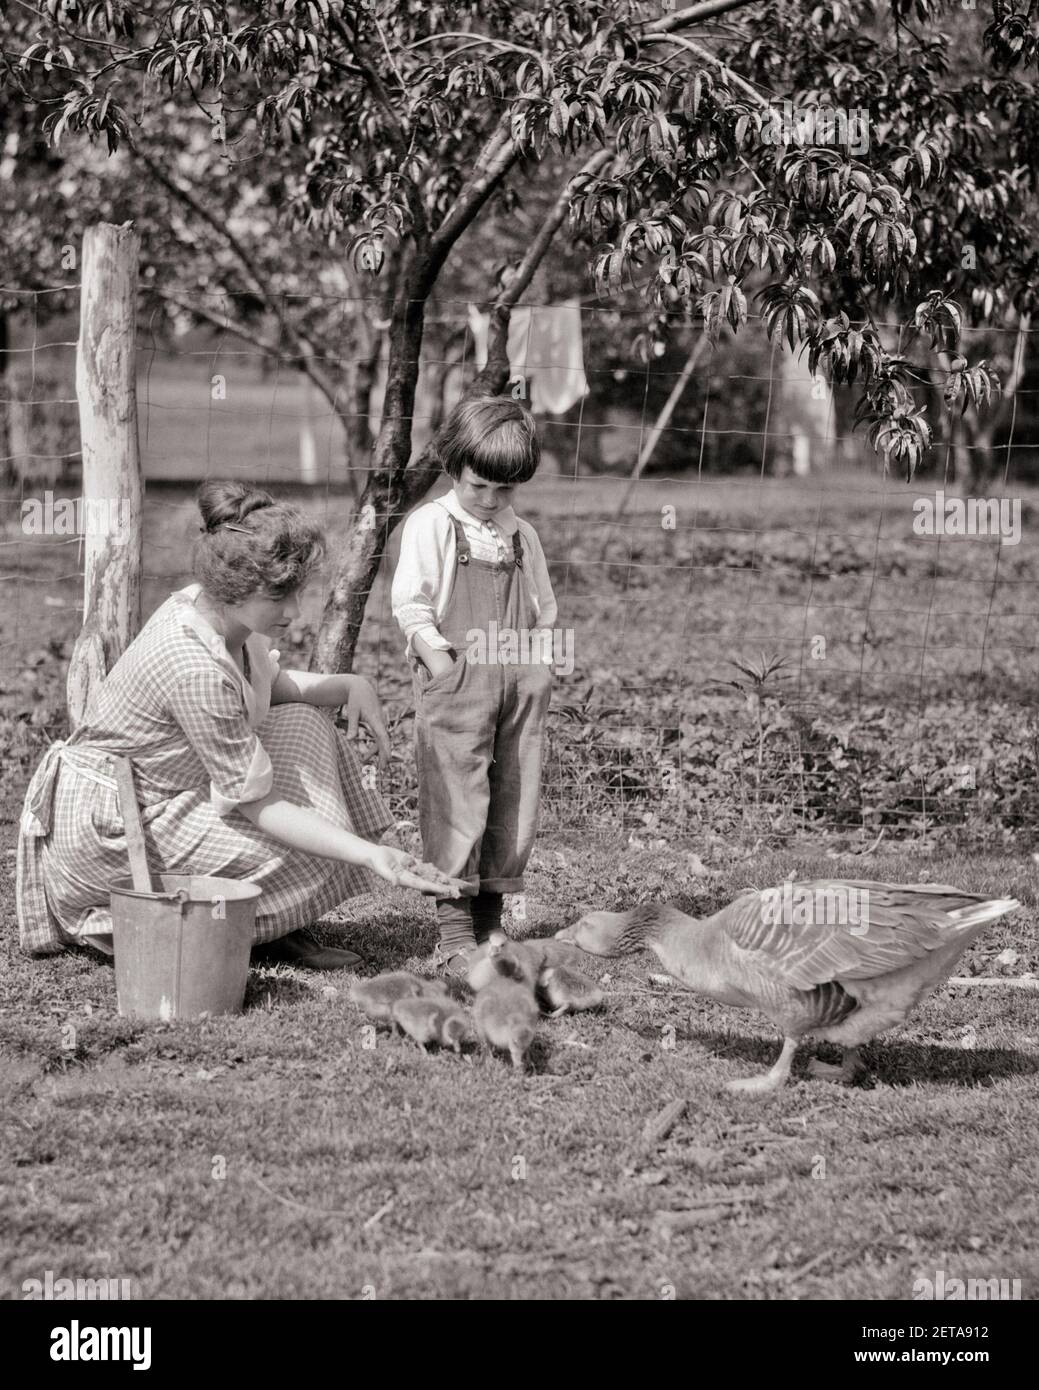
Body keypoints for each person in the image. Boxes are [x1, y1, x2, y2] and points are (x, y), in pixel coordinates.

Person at [17, 481, 462, 970]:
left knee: (304, 725)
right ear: (234, 588)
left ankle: (269, 921)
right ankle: (242, 928)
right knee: (316, 836)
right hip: (113, 831)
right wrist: (366, 853)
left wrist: (349, 685)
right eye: (280, 597)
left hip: (165, 797)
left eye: (295, 593)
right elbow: (259, 804)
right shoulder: (193, 665)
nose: (294, 612)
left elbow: (271, 686)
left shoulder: (219, 619)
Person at [391, 395, 558, 977]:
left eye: (504, 491)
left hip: (518, 679)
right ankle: (454, 935)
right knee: (458, 799)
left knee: (512, 794)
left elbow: (543, 609)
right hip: (459, 677)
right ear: (453, 468)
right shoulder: (432, 524)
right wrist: (442, 665)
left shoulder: (521, 536)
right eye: (478, 487)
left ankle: (492, 928)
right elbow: (411, 606)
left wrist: (536, 668)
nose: (490, 501)